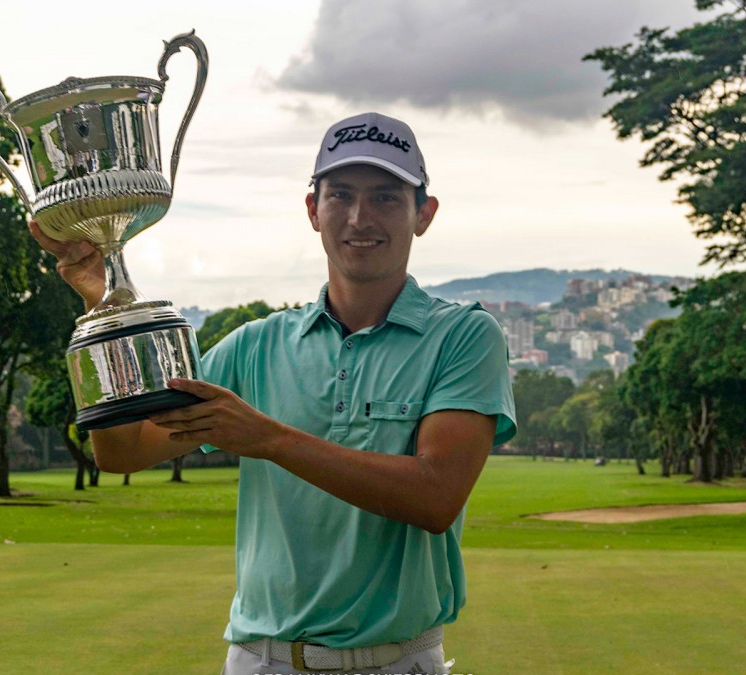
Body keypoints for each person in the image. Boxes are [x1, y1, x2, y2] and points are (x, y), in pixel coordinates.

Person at [29, 111, 516, 675]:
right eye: (340, 195)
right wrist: (102, 307)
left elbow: (436, 498)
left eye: (386, 197)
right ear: (313, 210)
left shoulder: (463, 335)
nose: (360, 217)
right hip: (261, 661)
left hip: (395, 662)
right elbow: (123, 452)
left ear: (423, 214)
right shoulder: (254, 346)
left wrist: (268, 439)